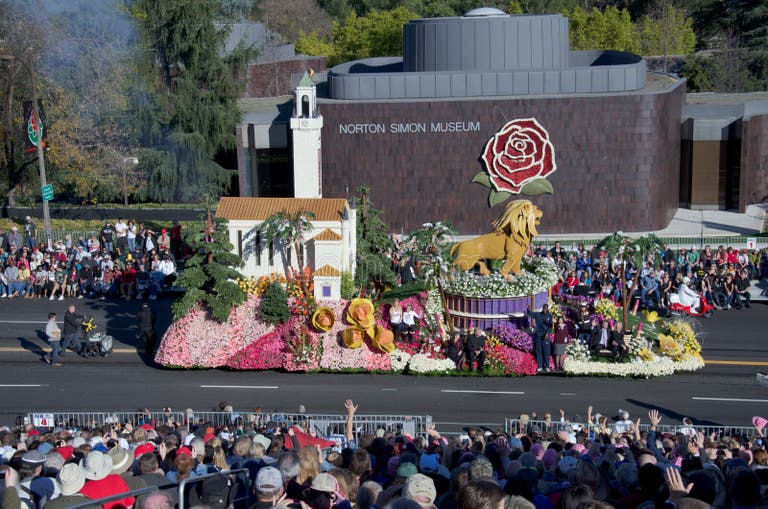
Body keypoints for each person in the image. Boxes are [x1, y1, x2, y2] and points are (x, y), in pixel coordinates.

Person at [527, 305, 553, 373]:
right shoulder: (538, 314)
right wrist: (528, 309)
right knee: (539, 351)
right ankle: (540, 366)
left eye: (546, 308)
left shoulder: (549, 316)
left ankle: (546, 366)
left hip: (546, 336)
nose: (545, 309)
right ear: (542, 308)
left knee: (546, 352)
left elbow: (551, 326)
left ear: (547, 309)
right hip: (538, 335)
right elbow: (530, 313)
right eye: (544, 308)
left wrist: (548, 333)